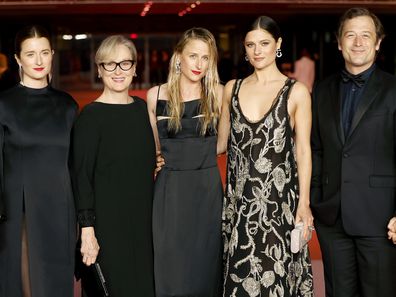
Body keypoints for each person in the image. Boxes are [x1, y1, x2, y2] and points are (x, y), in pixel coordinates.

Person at [218, 16, 314, 296]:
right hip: (238, 204)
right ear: (244, 48)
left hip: (278, 206)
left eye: (264, 43)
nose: (257, 51)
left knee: (275, 278)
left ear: (278, 45)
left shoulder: (296, 92)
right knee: (239, 280)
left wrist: (304, 203)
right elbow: (220, 144)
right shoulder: (231, 89)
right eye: (251, 45)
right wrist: (170, 152)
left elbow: (303, 150)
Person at [311, 7, 396, 297]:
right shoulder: (321, 90)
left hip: (381, 219)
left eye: (365, 35)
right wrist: (314, 200)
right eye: (351, 35)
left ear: (378, 43)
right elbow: (316, 149)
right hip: (332, 219)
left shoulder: (394, 89)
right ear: (339, 42)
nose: (358, 42)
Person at [72, 35, 156, 297]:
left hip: (145, 225)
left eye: (124, 63)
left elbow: (148, 158)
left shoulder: (143, 110)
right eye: (110, 64)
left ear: (134, 68)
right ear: (99, 69)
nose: (118, 71)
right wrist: (87, 231)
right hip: (107, 228)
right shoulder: (90, 116)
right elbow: (81, 176)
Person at [0, 25, 78, 297]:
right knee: (25, 284)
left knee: (56, 282)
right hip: (18, 210)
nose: (39, 60)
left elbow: (75, 164)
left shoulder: (67, 105)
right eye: (30, 54)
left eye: (44, 52)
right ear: (18, 59)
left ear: (52, 54)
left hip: (60, 208)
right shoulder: (4, 104)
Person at [146, 27, 223, 297]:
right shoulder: (155, 95)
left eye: (206, 58)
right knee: (170, 266)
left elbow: (223, 144)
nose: (199, 64)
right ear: (179, 56)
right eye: (193, 56)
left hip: (206, 192)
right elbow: (155, 147)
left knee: (205, 268)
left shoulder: (219, 95)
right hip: (170, 192)